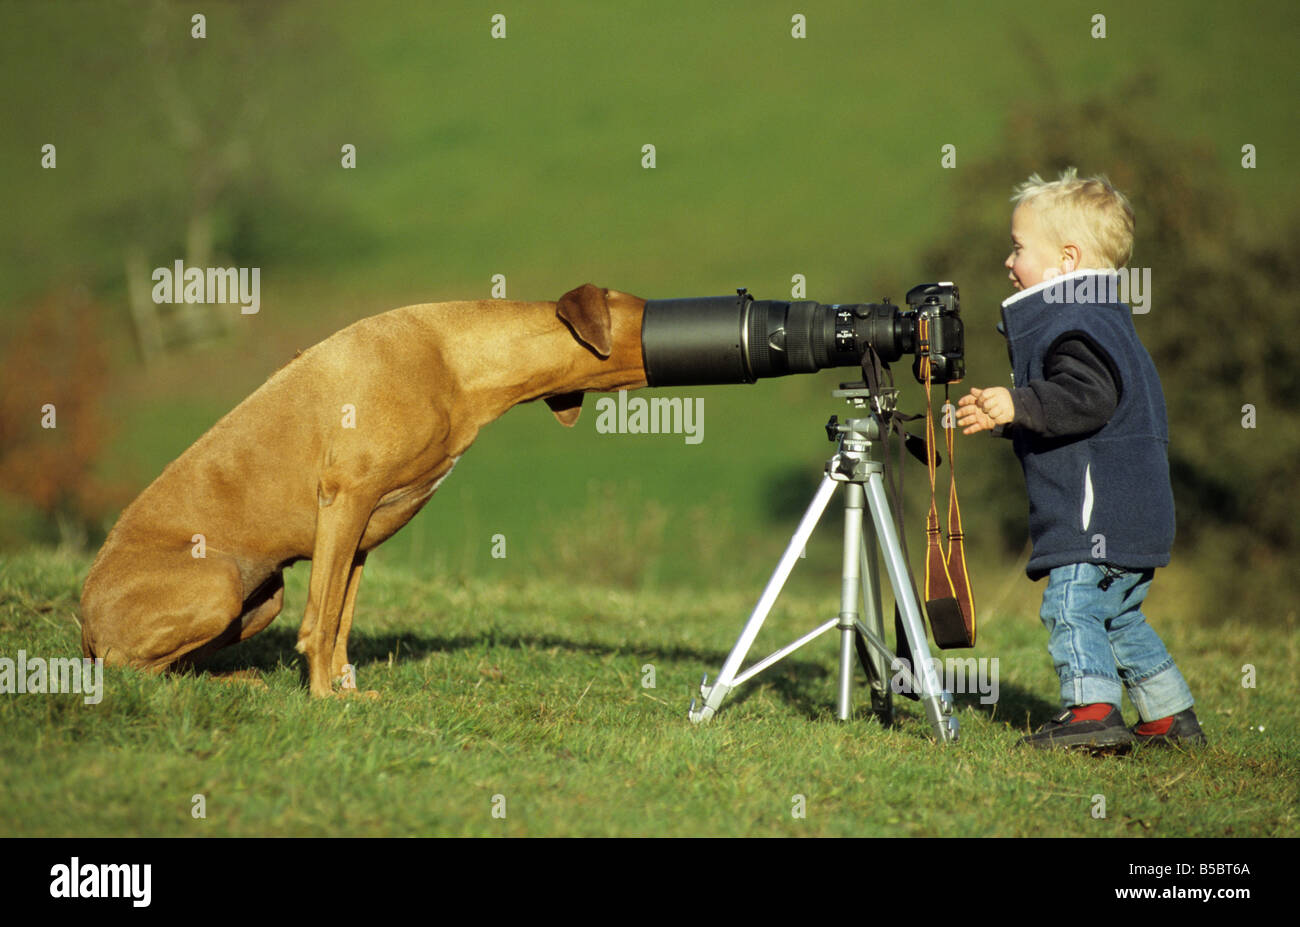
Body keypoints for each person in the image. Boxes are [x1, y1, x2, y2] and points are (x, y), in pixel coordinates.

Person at [955, 167, 1205, 750]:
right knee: (1118, 616)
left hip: (1095, 514)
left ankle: (1091, 713)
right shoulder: (1105, 318)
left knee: (1070, 605)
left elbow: (1087, 399)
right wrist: (1009, 415)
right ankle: (1169, 717)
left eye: (1019, 248)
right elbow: (1078, 413)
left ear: (1067, 259)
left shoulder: (1073, 323)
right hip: (1132, 508)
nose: (1008, 262)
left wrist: (1018, 402)